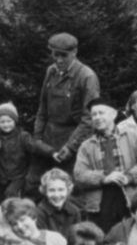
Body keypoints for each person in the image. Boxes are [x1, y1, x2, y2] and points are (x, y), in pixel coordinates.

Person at [73, 96, 137, 234]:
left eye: (101, 113)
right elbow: (79, 174)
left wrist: (129, 177)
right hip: (101, 201)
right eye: (94, 114)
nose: (97, 117)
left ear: (113, 114)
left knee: (132, 237)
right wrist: (104, 178)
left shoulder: (132, 137)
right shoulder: (86, 146)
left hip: (130, 196)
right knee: (103, 239)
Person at [31, 33, 100, 179]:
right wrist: (37, 139)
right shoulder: (51, 71)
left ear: (74, 53)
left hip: (72, 143)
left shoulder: (87, 77)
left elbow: (89, 119)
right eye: (55, 55)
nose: (59, 60)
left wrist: (71, 147)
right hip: (47, 142)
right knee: (36, 186)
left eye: (64, 55)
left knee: (66, 190)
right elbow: (43, 108)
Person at [0, 102, 54, 204]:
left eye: (9, 121)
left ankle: (15, 217)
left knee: (10, 194)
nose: (6, 124)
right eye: (2, 122)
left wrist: (50, 152)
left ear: (15, 121)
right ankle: (6, 219)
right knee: (2, 202)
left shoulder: (23, 136)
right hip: (2, 178)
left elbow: (35, 146)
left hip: (19, 176)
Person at [1, 197, 70, 245]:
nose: (20, 226)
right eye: (14, 224)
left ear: (33, 217)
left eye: (22, 220)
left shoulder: (55, 238)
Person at [34, 168, 82, 242]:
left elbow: (76, 238)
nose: (57, 195)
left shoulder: (74, 211)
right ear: (45, 192)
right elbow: (42, 242)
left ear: (68, 190)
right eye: (52, 190)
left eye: (61, 190)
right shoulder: (39, 213)